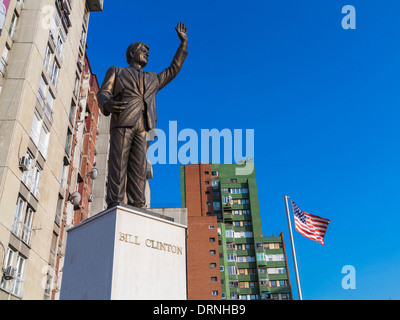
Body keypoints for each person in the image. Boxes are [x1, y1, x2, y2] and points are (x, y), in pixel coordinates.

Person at [97, 22, 189, 209]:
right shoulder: (117, 71)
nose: (147, 54)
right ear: (131, 54)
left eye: (148, 52)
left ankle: (138, 204)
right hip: (123, 119)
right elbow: (103, 92)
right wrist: (107, 103)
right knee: (118, 164)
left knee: (139, 167)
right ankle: (114, 202)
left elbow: (173, 70)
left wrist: (183, 45)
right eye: (143, 50)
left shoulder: (153, 78)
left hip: (144, 125)